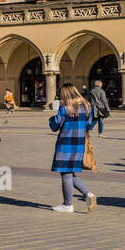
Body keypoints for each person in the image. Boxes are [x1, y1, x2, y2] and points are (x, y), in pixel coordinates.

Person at [49, 83, 98, 213]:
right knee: (70, 173)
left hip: (65, 144)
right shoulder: (87, 107)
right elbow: (89, 125)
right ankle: (88, 194)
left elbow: (55, 125)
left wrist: (51, 119)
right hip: (79, 144)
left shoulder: (65, 108)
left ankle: (68, 204)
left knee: (65, 173)